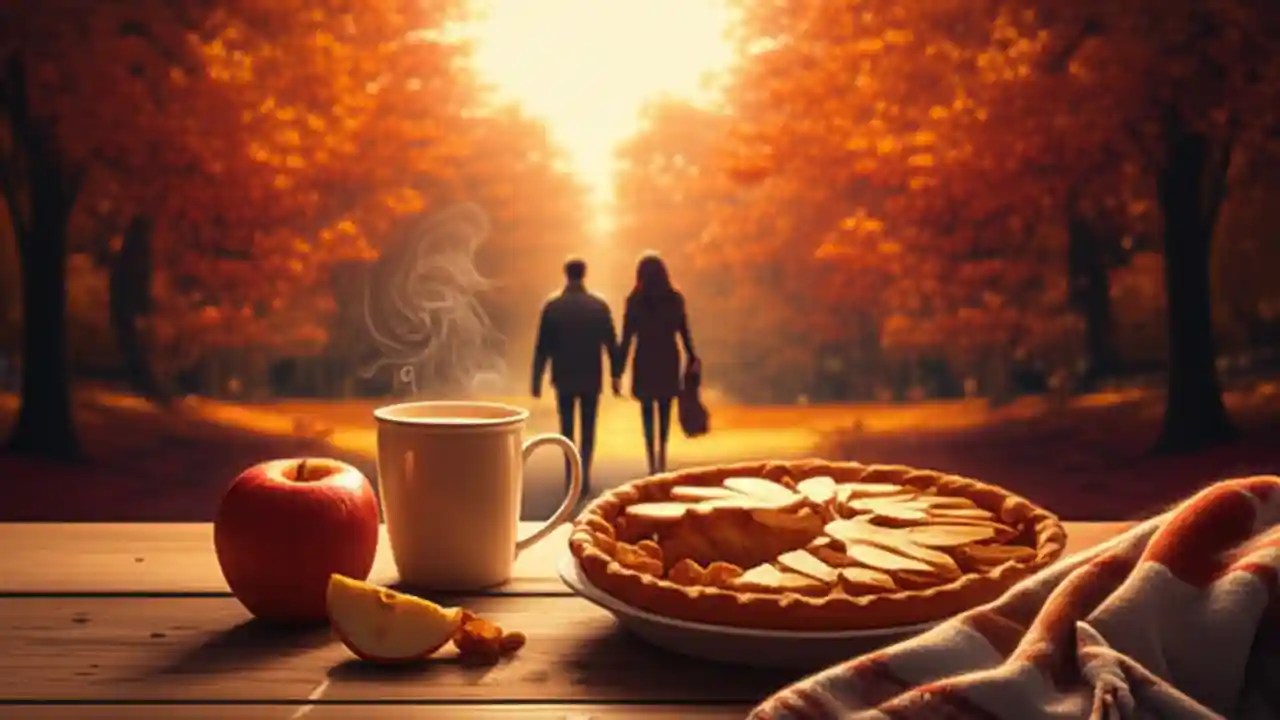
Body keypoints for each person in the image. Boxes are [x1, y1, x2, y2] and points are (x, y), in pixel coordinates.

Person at [532, 257, 621, 496]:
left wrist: (536, 379)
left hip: (564, 375)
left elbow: (542, 346)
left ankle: (571, 476)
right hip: (591, 375)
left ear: (566, 274)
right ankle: (585, 475)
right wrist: (615, 375)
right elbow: (611, 343)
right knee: (589, 427)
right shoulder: (598, 306)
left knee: (567, 428)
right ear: (584, 274)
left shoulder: (553, 306)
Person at [618, 252, 697, 475]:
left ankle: (651, 458)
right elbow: (684, 331)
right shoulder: (675, 299)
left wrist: (618, 370)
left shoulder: (635, 301)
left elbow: (627, 337)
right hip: (668, 357)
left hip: (645, 357)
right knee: (664, 408)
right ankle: (662, 453)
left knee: (647, 410)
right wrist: (691, 355)